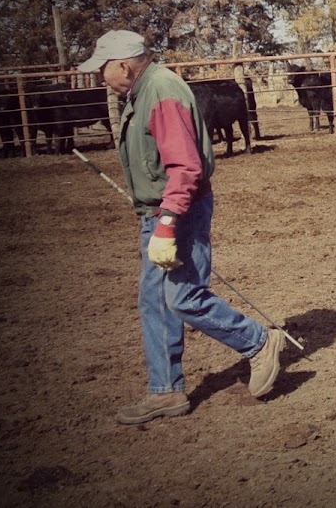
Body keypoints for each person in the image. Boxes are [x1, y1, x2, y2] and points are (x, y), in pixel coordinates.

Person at [78, 30, 286, 424]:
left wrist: (168, 221)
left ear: (123, 65)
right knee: (155, 300)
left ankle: (258, 341)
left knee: (184, 296)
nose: (100, 77)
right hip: (161, 209)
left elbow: (186, 166)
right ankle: (166, 390)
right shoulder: (144, 92)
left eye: (102, 68)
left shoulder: (160, 92)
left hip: (178, 209)